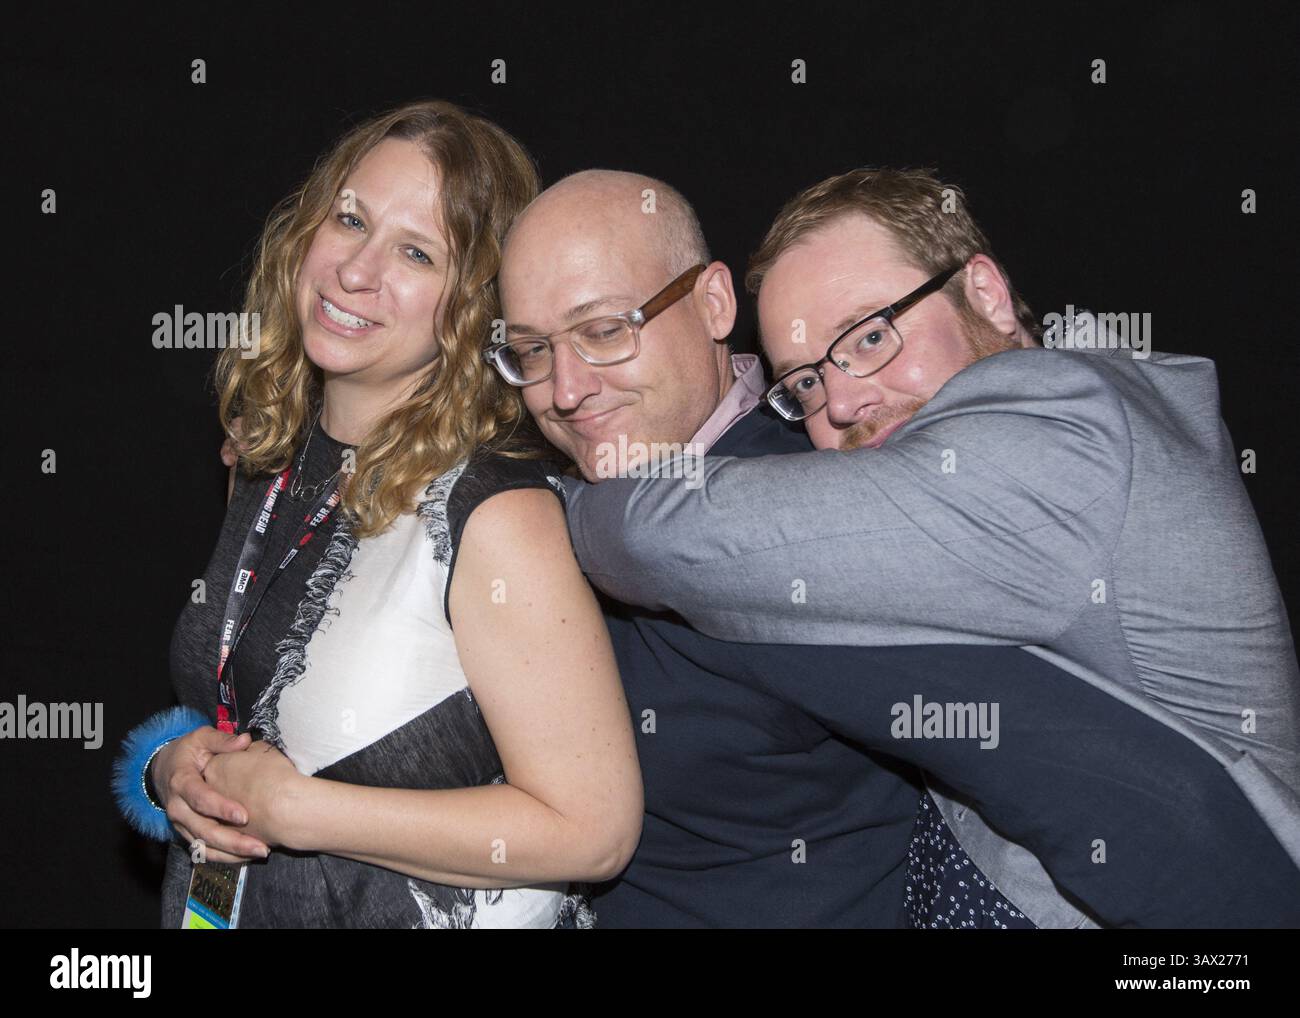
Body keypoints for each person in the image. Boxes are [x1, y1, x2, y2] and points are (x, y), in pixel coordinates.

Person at [490, 169, 1300, 927]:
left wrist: (564, 505)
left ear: (983, 290)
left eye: (870, 337)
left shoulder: (1063, 431)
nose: (841, 401)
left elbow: (667, 535)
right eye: (804, 381)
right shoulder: (1071, 402)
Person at [111, 100, 641, 929]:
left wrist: (302, 813)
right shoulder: (265, 456)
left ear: (470, 305)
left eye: (417, 252)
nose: (357, 270)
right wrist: (171, 769)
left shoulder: (496, 514)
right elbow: (252, 706)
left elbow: (594, 831)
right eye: (350, 218)